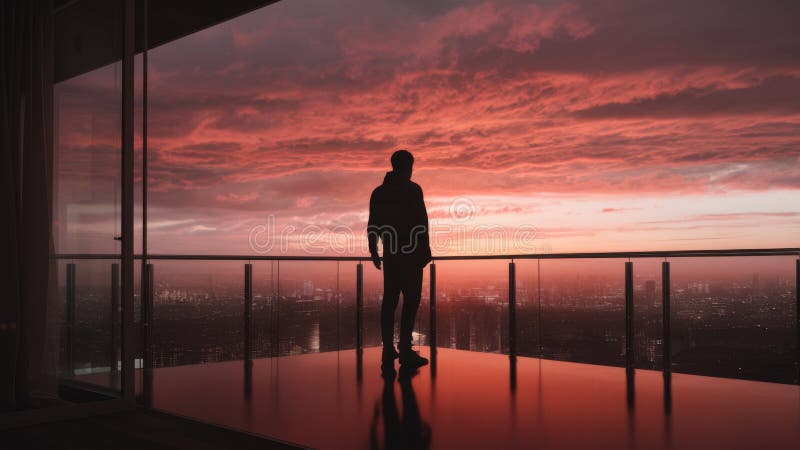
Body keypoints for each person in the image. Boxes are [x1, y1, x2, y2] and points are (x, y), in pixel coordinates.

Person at [368, 150, 432, 368]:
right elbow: (422, 222)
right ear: (408, 167)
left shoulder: (379, 192)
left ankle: (388, 349)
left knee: (390, 301)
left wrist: (373, 251)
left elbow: (373, 224)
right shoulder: (413, 190)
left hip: (392, 255)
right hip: (412, 255)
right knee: (411, 300)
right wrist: (425, 249)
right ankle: (405, 347)